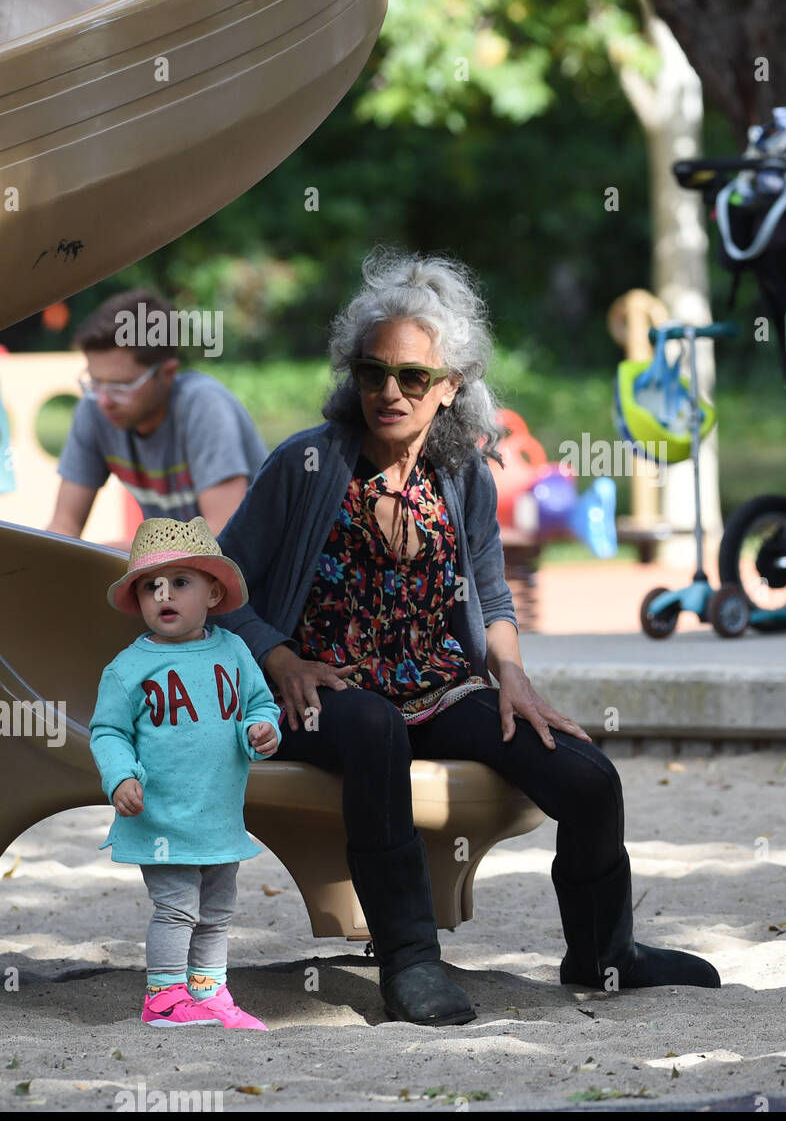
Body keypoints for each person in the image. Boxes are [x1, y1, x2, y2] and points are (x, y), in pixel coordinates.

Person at [213, 250, 720, 1026]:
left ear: (450, 386)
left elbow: (489, 590)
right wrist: (280, 658)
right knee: (375, 726)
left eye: (413, 378)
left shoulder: (464, 472)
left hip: (437, 685)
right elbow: (222, 586)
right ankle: (410, 961)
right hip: (319, 693)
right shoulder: (306, 465)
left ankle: (602, 952)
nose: (388, 391)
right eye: (371, 371)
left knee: (587, 777)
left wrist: (511, 676)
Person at [89, 516, 282, 1030]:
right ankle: (164, 996)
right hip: (162, 818)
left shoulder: (233, 651)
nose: (164, 594)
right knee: (177, 909)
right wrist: (119, 776)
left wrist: (261, 729)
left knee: (217, 910)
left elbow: (261, 705)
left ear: (214, 592)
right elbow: (107, 731)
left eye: (180, 582)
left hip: (219, 816)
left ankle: (208, 991)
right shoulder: (129, 668)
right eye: (151, 586)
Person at [48, 287, 266, 539]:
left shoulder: (204, 407)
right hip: (178, 574)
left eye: (122, 386)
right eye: (95, 382)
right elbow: (63, 527)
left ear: (167, 373)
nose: (105, 400)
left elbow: (222, 539)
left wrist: (122, 555)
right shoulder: (94, 408)